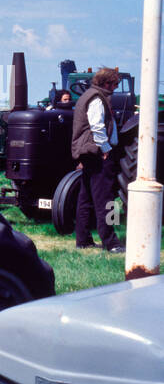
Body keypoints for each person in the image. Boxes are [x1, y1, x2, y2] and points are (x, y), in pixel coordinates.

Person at [71, 66, 124, 253]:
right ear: (107, 83)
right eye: (115, 83)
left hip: (90, 153)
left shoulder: (88, 95)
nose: (116, 87)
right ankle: (112, 243)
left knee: (85, 198)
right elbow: (97, 126)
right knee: (106, 198)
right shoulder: (97, 98)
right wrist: (106, 149)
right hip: (99, 153)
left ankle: (83, 240)